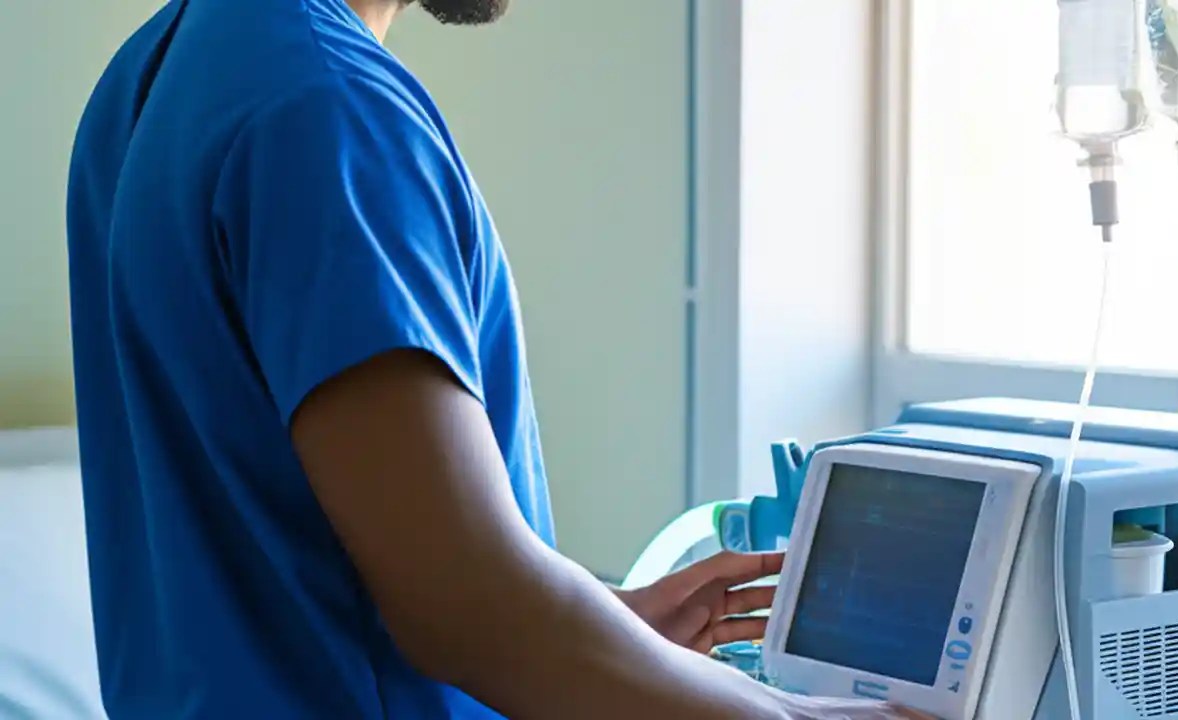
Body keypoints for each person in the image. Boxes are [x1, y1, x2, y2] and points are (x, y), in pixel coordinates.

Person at [65, 0, 930, 718]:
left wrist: (600, 644)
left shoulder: (159, 76)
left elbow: (277, 565)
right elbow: (470, 613)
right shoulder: (326, 109)